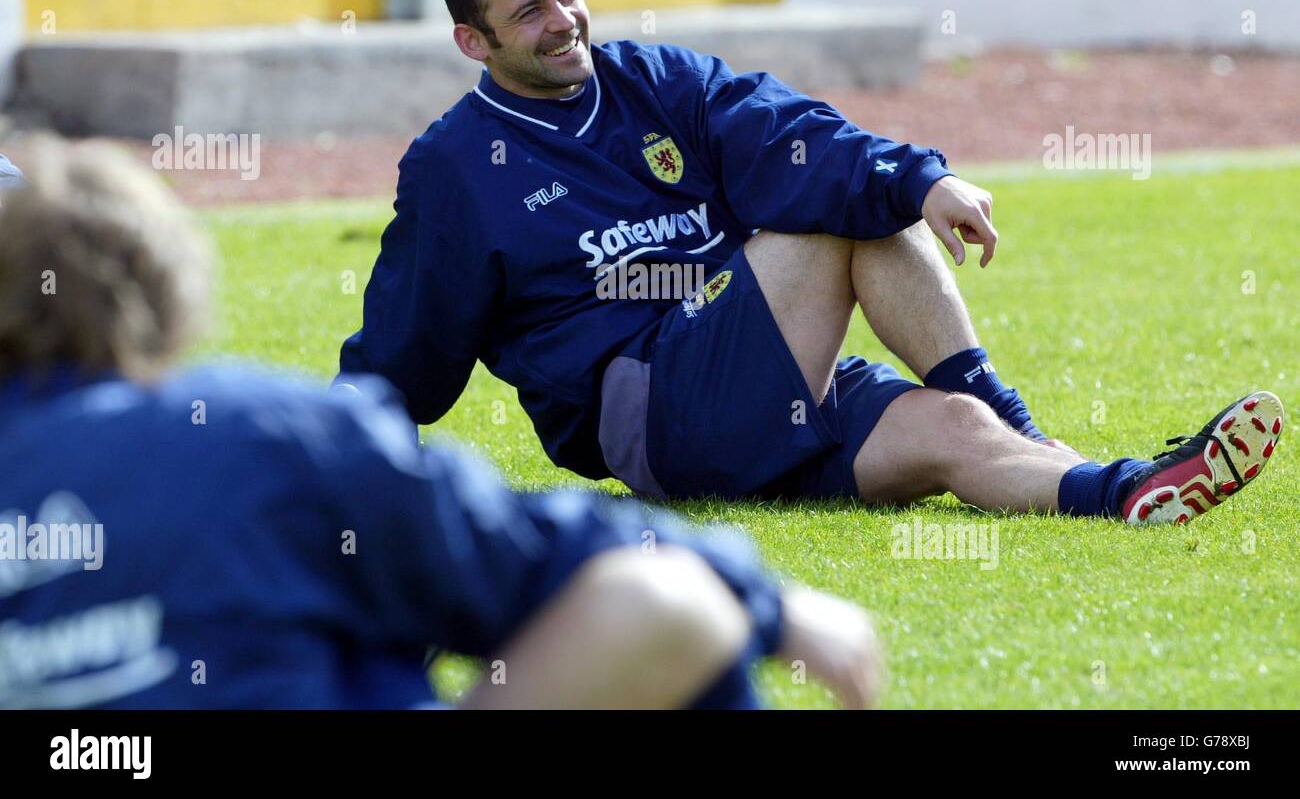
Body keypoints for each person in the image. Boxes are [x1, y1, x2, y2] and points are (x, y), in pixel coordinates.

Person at [338, 0, 1283, 526]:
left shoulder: (654, 80)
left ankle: (1119, 489)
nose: (565, 20)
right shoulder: (456, 165)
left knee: (951, 427)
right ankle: (1035, 433)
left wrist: (924, 180)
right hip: (656, 412)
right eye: (531, 11)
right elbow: (409, 342)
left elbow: (786, 130)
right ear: (476, 42)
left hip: (763, 369)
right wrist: (355, 468)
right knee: (828, 216)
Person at [0, 140, 884, 710]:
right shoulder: (260, 432)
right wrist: (762, 597)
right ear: (168, 287)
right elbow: (543, 551)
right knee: (671, 599)